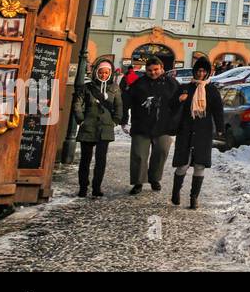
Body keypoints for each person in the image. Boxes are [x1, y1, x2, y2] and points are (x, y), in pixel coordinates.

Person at [171, 57, 224, 209]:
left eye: (204, 71)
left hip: (203, 131)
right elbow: (171, 105)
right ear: (195, 71)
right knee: (183, 164)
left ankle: (194, 197)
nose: (201, 74)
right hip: (186, 130)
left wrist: (220, 128)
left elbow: (218, 111)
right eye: (198, 71)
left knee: (200, 165)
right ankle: (176, 192)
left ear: (207, 73)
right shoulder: (185, 88)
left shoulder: (212, 90)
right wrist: (180, 100)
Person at [122, 57, 179, 194]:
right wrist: (124, 120)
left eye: (156, 70)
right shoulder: (138, 84)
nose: (153, 73)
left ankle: (154, 178)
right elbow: (126, 102)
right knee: (139, 154)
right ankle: (138, 182)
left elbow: (178, 103)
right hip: (141, 125)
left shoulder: (171, 83)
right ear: (146, 70)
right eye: (149, 70)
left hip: (163, 125)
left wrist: (177, 121)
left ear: (161, 68)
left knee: (162, 151)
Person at [73, 59, 122, 198]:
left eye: (106, 72)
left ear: (110, 73)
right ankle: (83, 187)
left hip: (105, 128)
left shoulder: (114, 88)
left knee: (101, 160)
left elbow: (119, 106)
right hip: (88, 126)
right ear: (96, 72)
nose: (104, 75)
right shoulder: (87, 87)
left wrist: (116, 121)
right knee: (85, 160)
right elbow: (78, 103)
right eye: (101, 72)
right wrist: (80, 119)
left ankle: (96, 187)